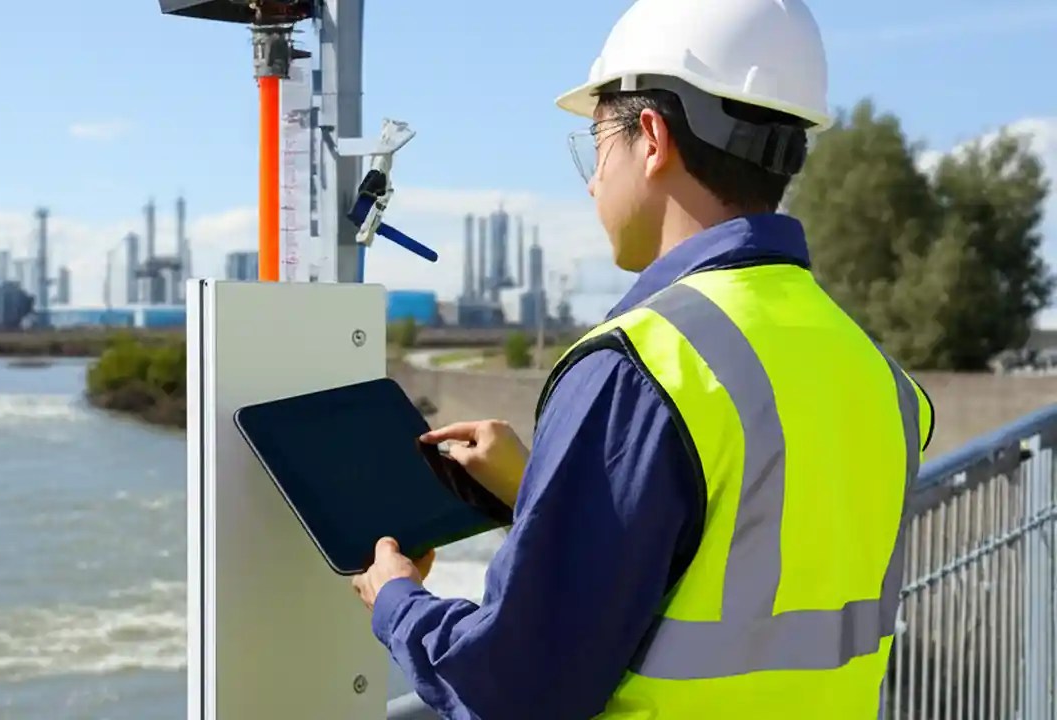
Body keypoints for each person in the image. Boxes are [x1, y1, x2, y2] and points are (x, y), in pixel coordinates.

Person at [350, 0, 935, 717]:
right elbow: (742, 558)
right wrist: (539, 488)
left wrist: (398, 601)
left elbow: (519, 684)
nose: (594, 182)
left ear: (650, 138)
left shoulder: (639, 365)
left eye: (595, 146)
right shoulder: (872, 368)